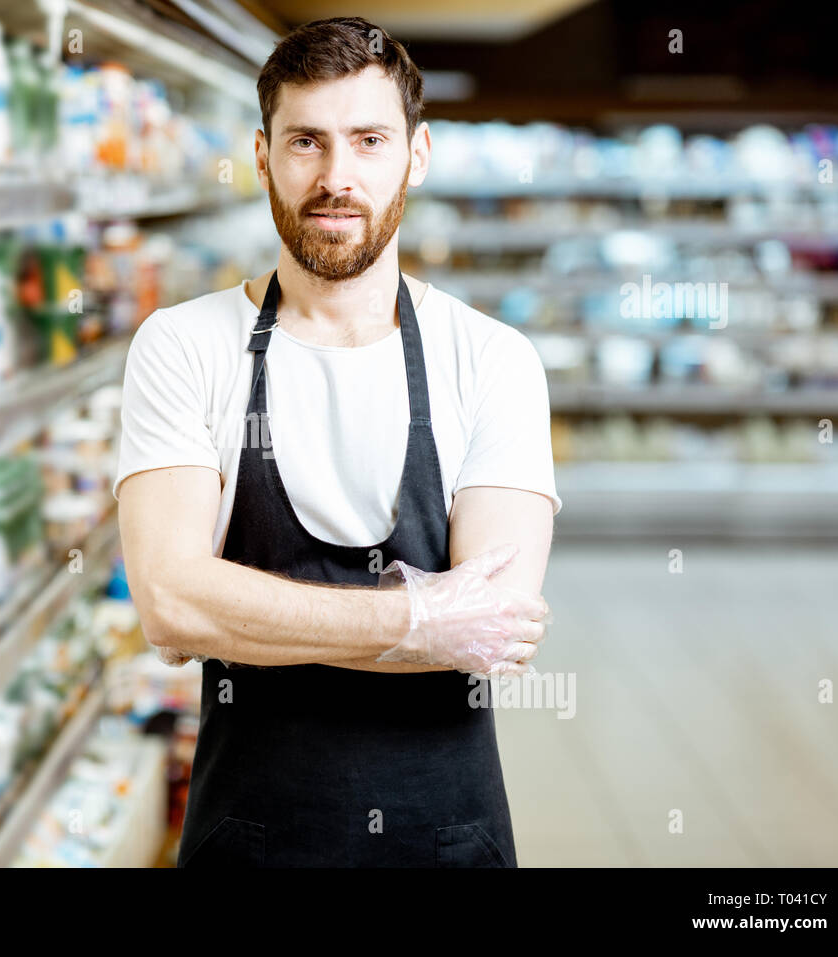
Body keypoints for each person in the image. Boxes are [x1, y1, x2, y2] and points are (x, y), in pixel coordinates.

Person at [113, 16, 561, 868]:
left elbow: (493, 623)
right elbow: (170, 601)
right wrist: (421, 618)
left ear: (416, 155)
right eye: (307, 142)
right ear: (262, 153)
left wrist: (233, 611)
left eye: (368, 140)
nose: (336, 177)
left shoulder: (493, 358)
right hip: (246, 839)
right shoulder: (183, 344)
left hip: (449, 842)